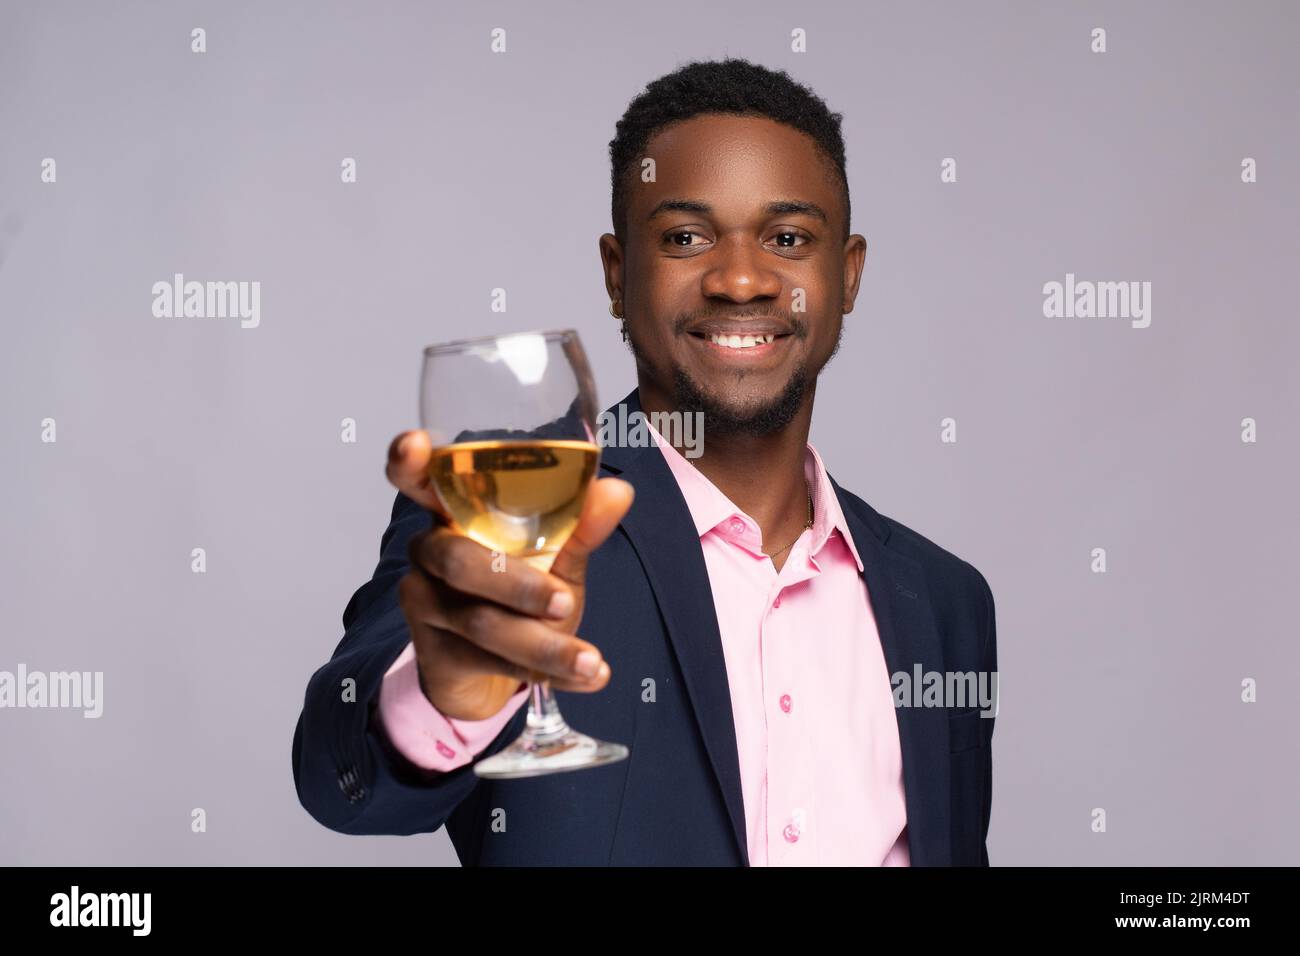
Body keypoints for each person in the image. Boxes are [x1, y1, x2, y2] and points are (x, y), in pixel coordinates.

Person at [292, 57, 997, 866]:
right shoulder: (513, 519)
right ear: (618, 275)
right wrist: (444, 692)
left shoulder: (946, 603)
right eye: (686, 237)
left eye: (789, 238)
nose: (739, 279)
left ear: (846, 276)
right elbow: (338, 773)